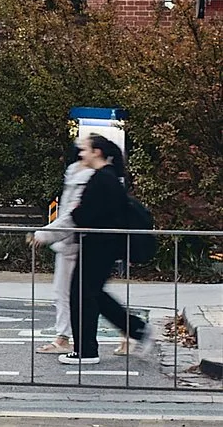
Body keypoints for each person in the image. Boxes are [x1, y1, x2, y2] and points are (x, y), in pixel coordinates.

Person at [63, 133, 149, 366]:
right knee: (93, 294)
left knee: (82, 295)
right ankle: (137, 329)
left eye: (85, 150)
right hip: (102, 245)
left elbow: (86, 214)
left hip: (98, 246)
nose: (81, 154)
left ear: (97, 152)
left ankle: (86, 351)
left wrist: (76, 210)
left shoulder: (102, 179)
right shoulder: (108, 177)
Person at [30, 141, 93, 355]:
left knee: (66, 293)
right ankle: (129, 332)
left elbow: (72, 216)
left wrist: (45, 235)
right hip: (72, 242)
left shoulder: (83, 177)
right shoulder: (76, 173)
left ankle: (64, 337)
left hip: (74, 242)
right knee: (76, 293)